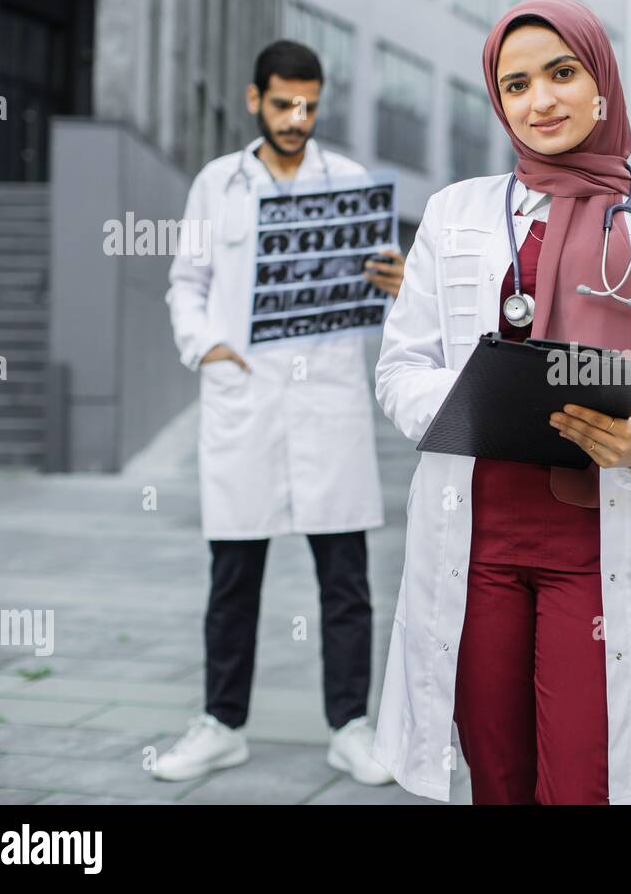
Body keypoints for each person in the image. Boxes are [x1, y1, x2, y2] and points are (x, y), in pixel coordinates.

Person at [369, 0, 631, 805]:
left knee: (582, 780)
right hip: (477, 546)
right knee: (496, 776)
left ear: (600, 81)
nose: (542, 101)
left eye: (562, 73)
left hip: (594, 546)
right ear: (498, 102)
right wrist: (473, 402)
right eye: (517, 84)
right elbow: (399, 369)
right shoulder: (455, 212)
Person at [158, 40, 405, 785]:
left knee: (346, 580)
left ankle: (350, 728)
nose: (296, 117)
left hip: (327, 403)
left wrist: (398, 284)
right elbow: (185, 283)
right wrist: (207, 347)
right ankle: (221, 725)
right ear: (253, 99)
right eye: (282, 103)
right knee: (233, 574)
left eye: (308, 103)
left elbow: (385, 288)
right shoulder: (216, 185)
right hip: (245, 401)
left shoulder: (352, 183)